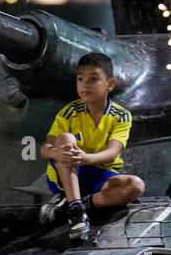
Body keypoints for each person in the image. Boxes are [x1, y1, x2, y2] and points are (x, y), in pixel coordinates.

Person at [39, 51, 146, 240]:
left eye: (93, 79)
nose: (85, 85)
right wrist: (56, 152)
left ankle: (80, 203)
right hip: (67, 174)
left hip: (99, 174)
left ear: (110, 84)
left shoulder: (121, 116)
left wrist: (86, 158)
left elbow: (112, 153)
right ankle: (76, 209)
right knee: (65, 138)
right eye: (80, 79)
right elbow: (45, 149)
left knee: (135, 185)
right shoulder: (69, 112)